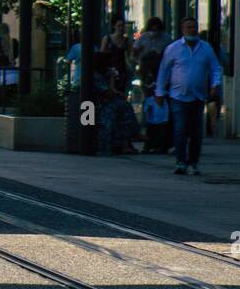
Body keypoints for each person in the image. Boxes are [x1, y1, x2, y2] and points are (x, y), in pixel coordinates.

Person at [154, 17, 223, 176]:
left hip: (198, 96)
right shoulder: (173, 48)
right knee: (180, 129)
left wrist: (215, 84)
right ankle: (180, 161)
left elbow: (214, 68)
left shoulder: (205, 48)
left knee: (196, 132)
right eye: (188, 27)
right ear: (182, 29)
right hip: (177, 96)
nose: (192, 30)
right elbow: (163, 71)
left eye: (194, 27)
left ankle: (193, 162)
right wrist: (159, 92)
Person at [91, 52, 141, 155]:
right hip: (98, 106)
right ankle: (134, 134)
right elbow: (109, 93)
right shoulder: (96, 76)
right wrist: (112, 78)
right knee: (122, 107)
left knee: (124, 106)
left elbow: (111, 92)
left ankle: (127, 142)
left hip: (103, 103)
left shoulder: (100, 74)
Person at [100, 17, 132, 89]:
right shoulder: (107, 39)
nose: (121, 28)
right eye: (119, 25)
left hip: (122, 70)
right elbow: (101, 55)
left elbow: (130, 56)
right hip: (109, 69)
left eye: (123, 26)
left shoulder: (127, 41)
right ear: (114, 26)